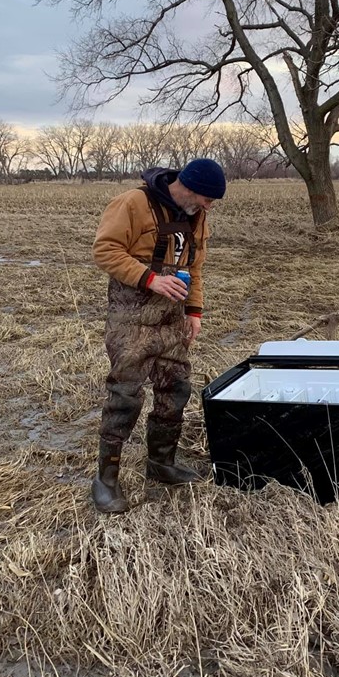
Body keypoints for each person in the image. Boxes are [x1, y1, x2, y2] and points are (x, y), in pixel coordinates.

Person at [88, 157, 226, 513]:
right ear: (190, 186)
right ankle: (105, 479)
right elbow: (105, 249)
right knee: (125, 395)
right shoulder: (132, 203)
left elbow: (194, 266)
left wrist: (193, 311)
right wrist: (150, 279)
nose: (209, 207)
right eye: (208, 199)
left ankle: (162, 463)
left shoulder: (197, 215)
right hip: (131, 320)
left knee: (175, 389)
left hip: (172, 322)